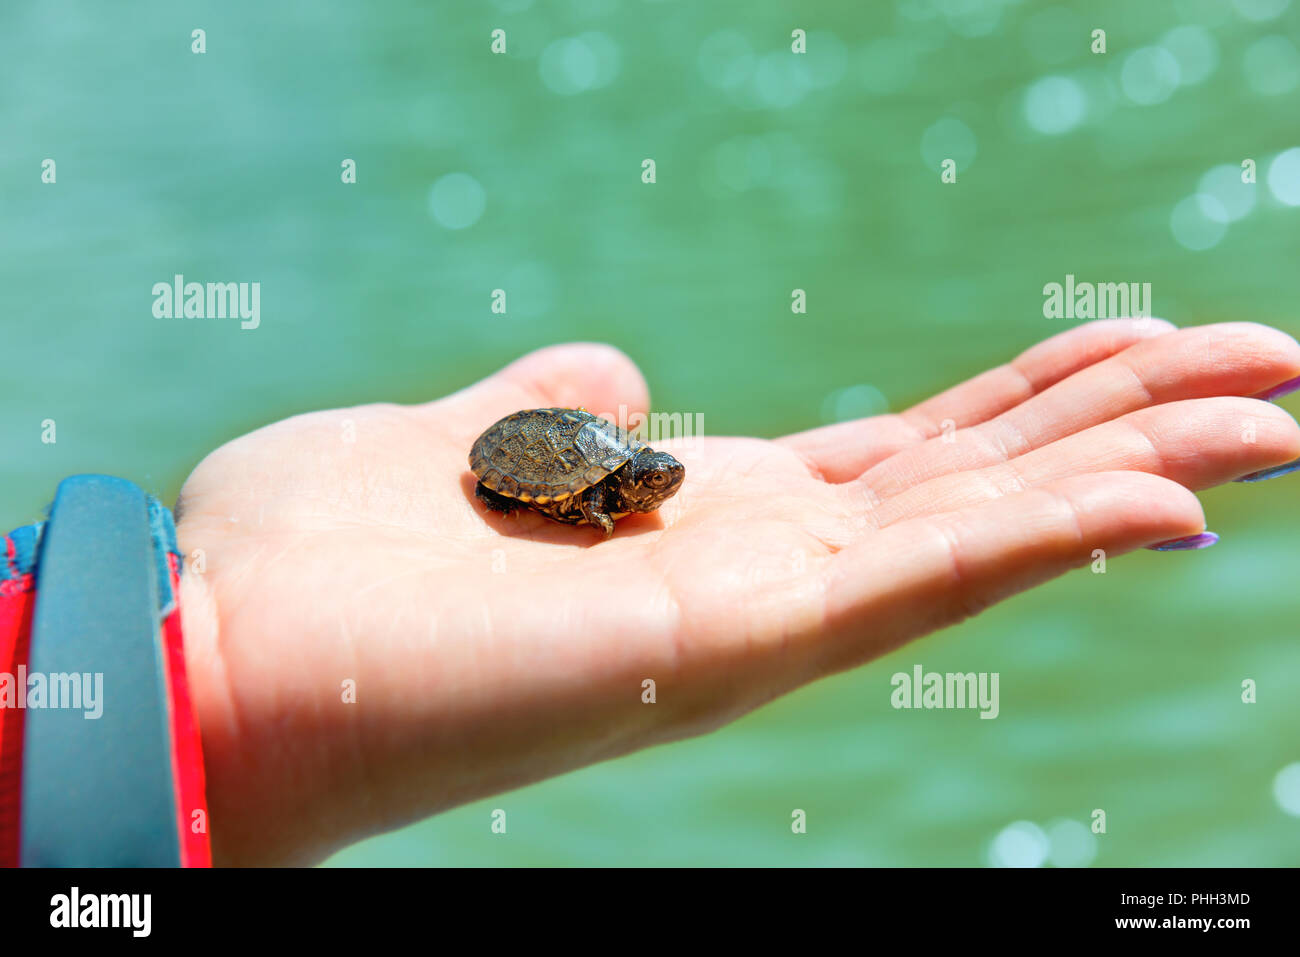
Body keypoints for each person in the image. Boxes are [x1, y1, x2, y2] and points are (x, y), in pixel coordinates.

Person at [8, 318, 1300, 865]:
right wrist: (213, 668)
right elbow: (520, 474)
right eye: (647, 478)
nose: (653, 485)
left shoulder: (627, 482)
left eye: (646, 476)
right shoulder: (583, 489)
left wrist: (212, 686)